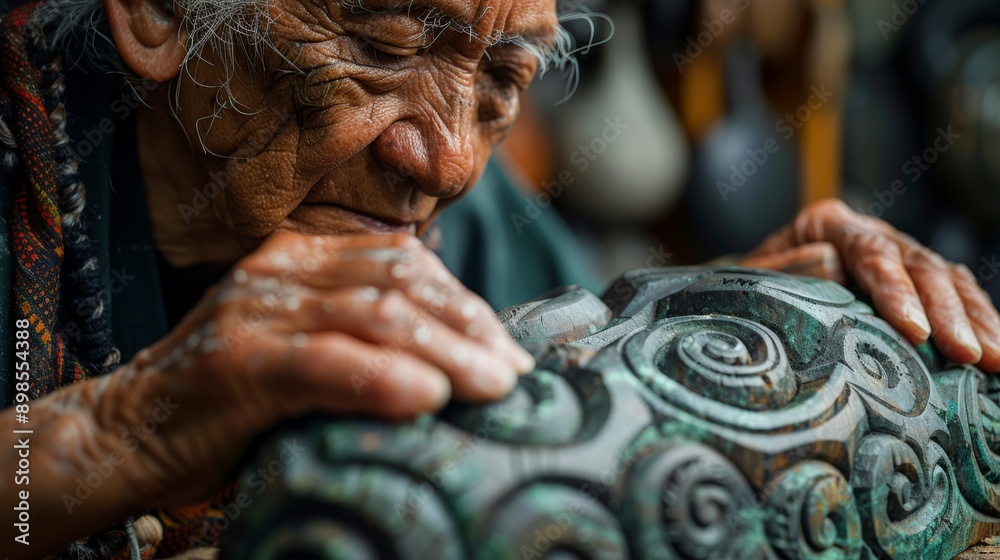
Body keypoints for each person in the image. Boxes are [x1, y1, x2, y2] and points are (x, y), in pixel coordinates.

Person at [0, 0, 997, 558]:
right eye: (385, 45)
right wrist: (122, 430)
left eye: (499, 83)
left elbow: (561, 373)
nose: (448, 163)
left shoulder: (447, 224)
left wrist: (727, 324)